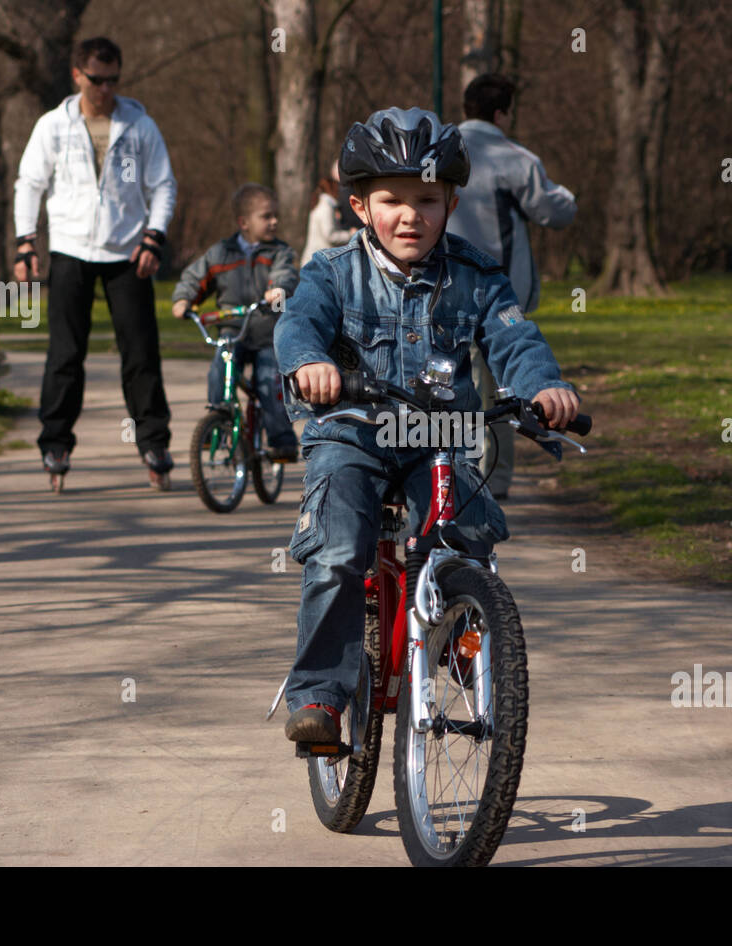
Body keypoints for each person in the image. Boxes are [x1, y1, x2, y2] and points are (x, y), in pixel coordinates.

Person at [274, 107, 580, 743]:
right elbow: (298, 323)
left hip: (434, 439)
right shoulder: (331, 273)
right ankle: (322, 698)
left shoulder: (476, 276)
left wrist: (542, 388)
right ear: (360, 206)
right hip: (351, 432)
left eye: (427, 199)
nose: (410, 215)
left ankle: (461, 631)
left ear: (451, 202)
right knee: (336, 550)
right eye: (392, 200)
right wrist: (311, 364)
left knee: (464, 531)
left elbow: (513, 339)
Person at [13, 36, 178, 491]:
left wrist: (153, 237)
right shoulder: (53, 126)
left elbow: (163, 185)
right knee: (65, 353)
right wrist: (26, 244)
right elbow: (29, 183)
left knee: (140, 352)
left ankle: (153, 441)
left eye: (112, 80)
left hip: (127, 253)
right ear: (77, 76)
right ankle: (56, 442)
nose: (104, 89)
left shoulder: (139, 125)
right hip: (69, 248)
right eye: (96, 80)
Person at [447, 73, 577, 499]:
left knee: (442, 389)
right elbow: (554, 213)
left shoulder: (438, 147)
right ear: (502, 113)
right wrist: (569, 196)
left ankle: (446, 477)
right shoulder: (515, 159)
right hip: (496, 296)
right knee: (498, 395)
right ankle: (494, 482)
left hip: (435, 292)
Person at [171, 184, 300, 462]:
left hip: (267, 332)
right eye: (266, 216)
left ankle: (282, 440)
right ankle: (218, 422)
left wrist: (278, 289)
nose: (274, 222)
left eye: (275, 215)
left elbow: (286, 274)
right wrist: (183, 300)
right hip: (233, 332)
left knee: (269, 383)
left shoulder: (279, 251)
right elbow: (195, 278)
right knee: (219, 371)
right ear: (244, 222)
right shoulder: (221, 253)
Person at [301, 161, 358, 262]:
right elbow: (330, 236)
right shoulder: (326, 206)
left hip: (317, 258)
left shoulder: (322, 204)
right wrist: (350, 234)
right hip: (319, 261)